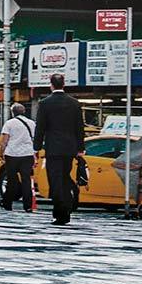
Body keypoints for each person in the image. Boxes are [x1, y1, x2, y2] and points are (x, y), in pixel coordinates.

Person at [37, 74, 85, 225]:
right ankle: (67, 207)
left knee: (55, 180)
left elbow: (40, 127)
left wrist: (36, 148)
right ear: (64, 84)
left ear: (51, 85)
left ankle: (60, 212)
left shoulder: (45, 103)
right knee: (64, 177)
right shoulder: (74, 103)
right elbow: (79, 127)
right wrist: (80, 148)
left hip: (53, 148)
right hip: (69, 148)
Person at [0, 93, 38, 212]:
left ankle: (7, 203)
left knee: (12, 180)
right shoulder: (31, 123)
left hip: (12, 155)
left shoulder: (9, 123)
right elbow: (35, 139)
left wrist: (1, 153)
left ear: (12, 112)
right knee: (26, 180)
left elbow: (4, 141)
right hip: (27, 154)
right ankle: (28, 205)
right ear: (24, 111)